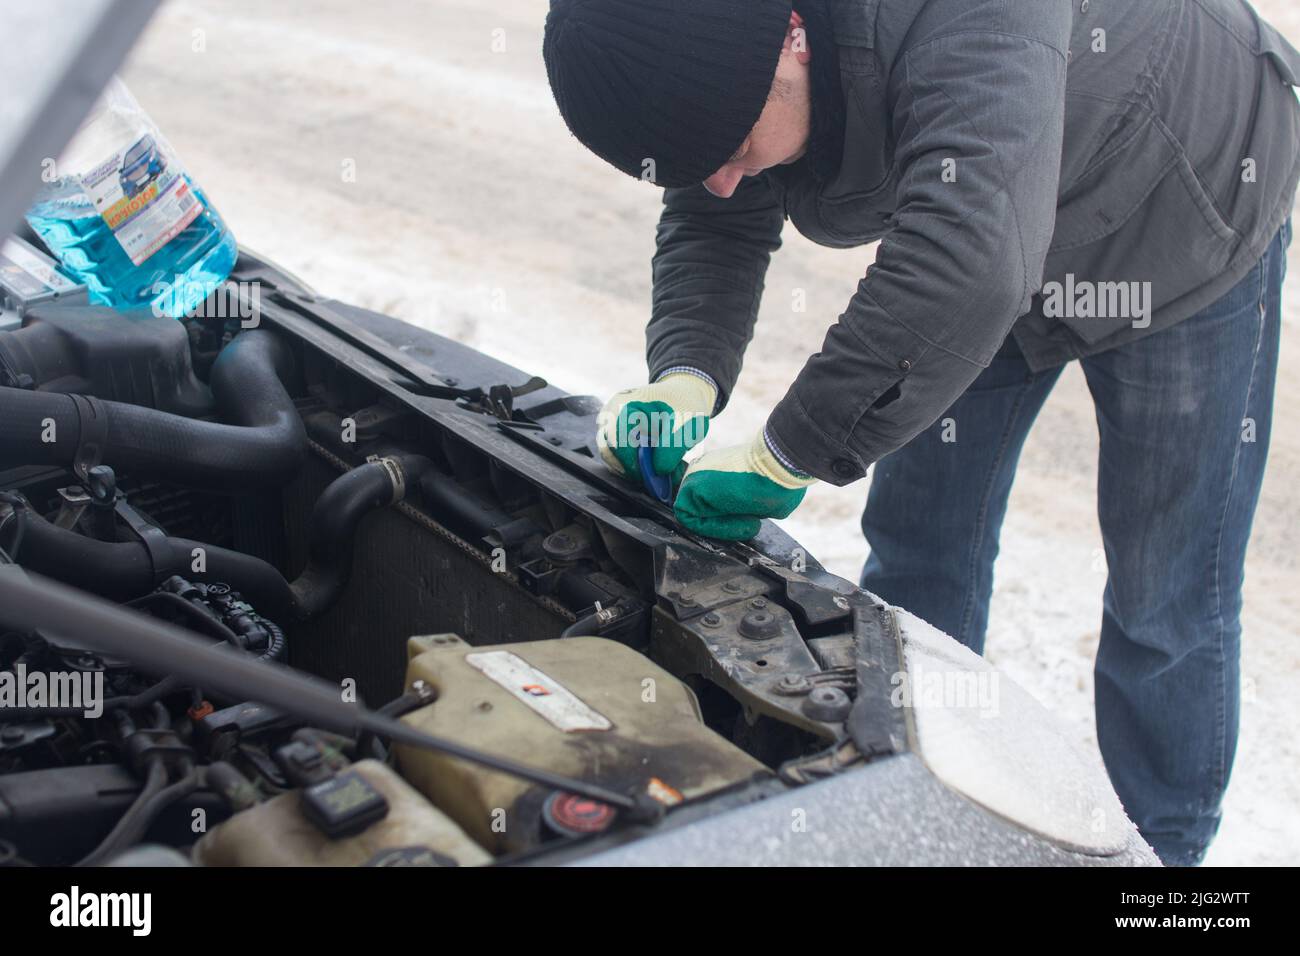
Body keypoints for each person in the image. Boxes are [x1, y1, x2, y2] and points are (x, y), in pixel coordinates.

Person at [543, 0, 1299, 865]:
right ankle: (919, 820)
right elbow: (719, 206)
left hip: (1180, 205)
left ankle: (1162, 879)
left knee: (1167, 603)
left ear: (793, 37)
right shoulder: (734, 43)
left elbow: (968, 260)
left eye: (728, 147)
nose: (717, 178)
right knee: (917, 553)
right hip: (997, 224)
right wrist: (685, 373)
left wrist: (791, 448)